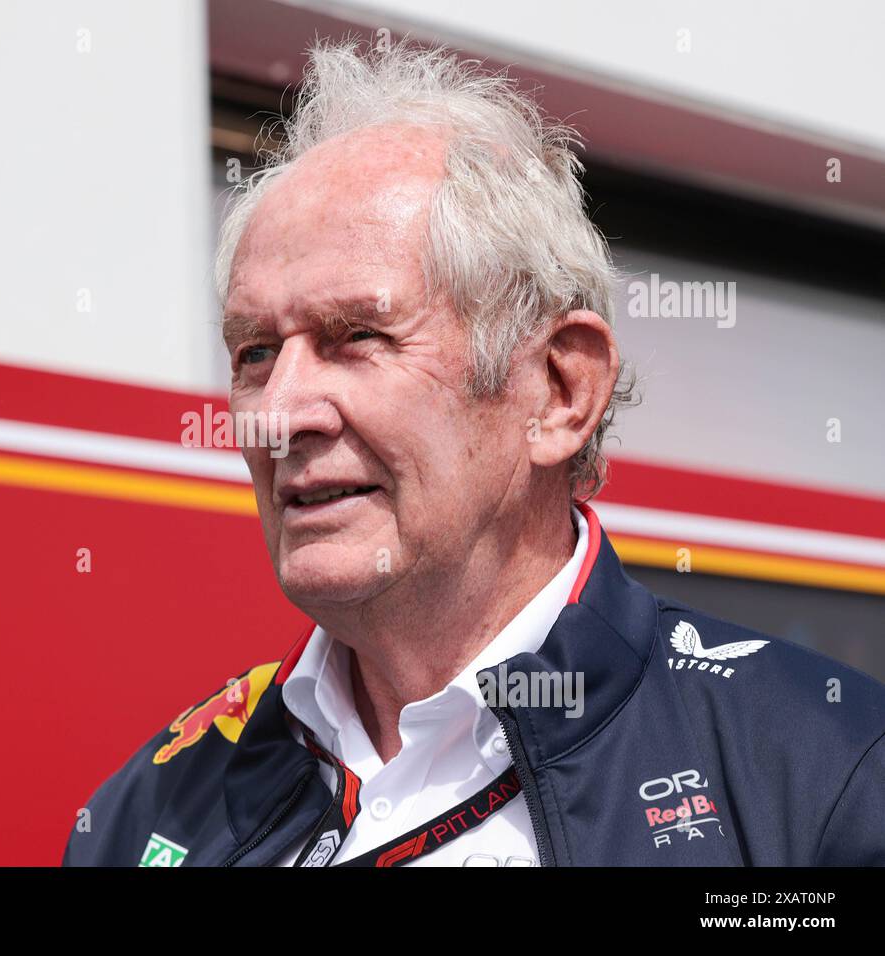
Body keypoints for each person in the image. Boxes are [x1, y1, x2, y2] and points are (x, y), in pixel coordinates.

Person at [63, 38, 885, 867]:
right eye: (254, 353)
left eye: (358, 336)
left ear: (558, 392)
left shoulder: (826, 778)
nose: (278, 415)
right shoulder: (153, 809)